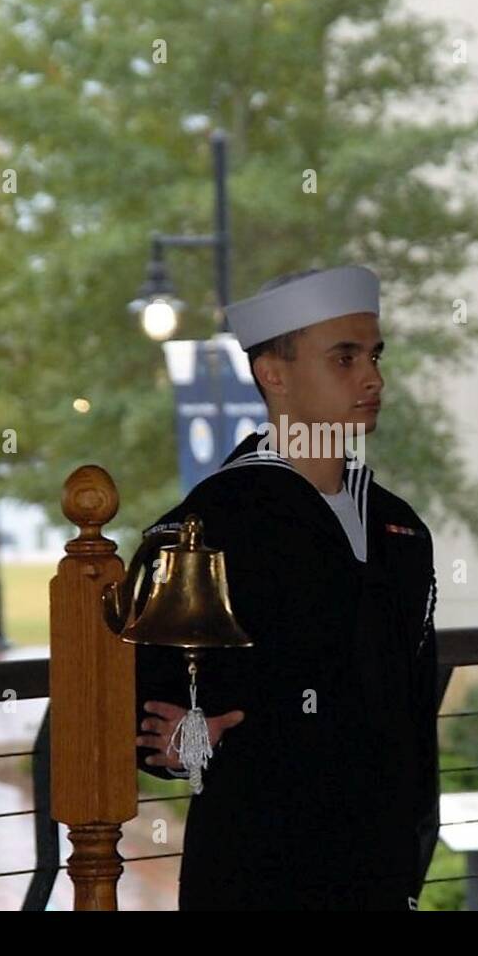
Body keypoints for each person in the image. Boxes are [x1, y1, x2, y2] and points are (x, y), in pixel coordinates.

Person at [134, 265, 441, 910]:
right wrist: (189, 744)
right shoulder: (210, 523)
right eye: (344, 358)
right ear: (274, 374)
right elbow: (148, 705)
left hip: (381, 872)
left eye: (375, 356)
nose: (373, 378)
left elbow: (410, 715)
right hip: (258, 870)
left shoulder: (399, 529)